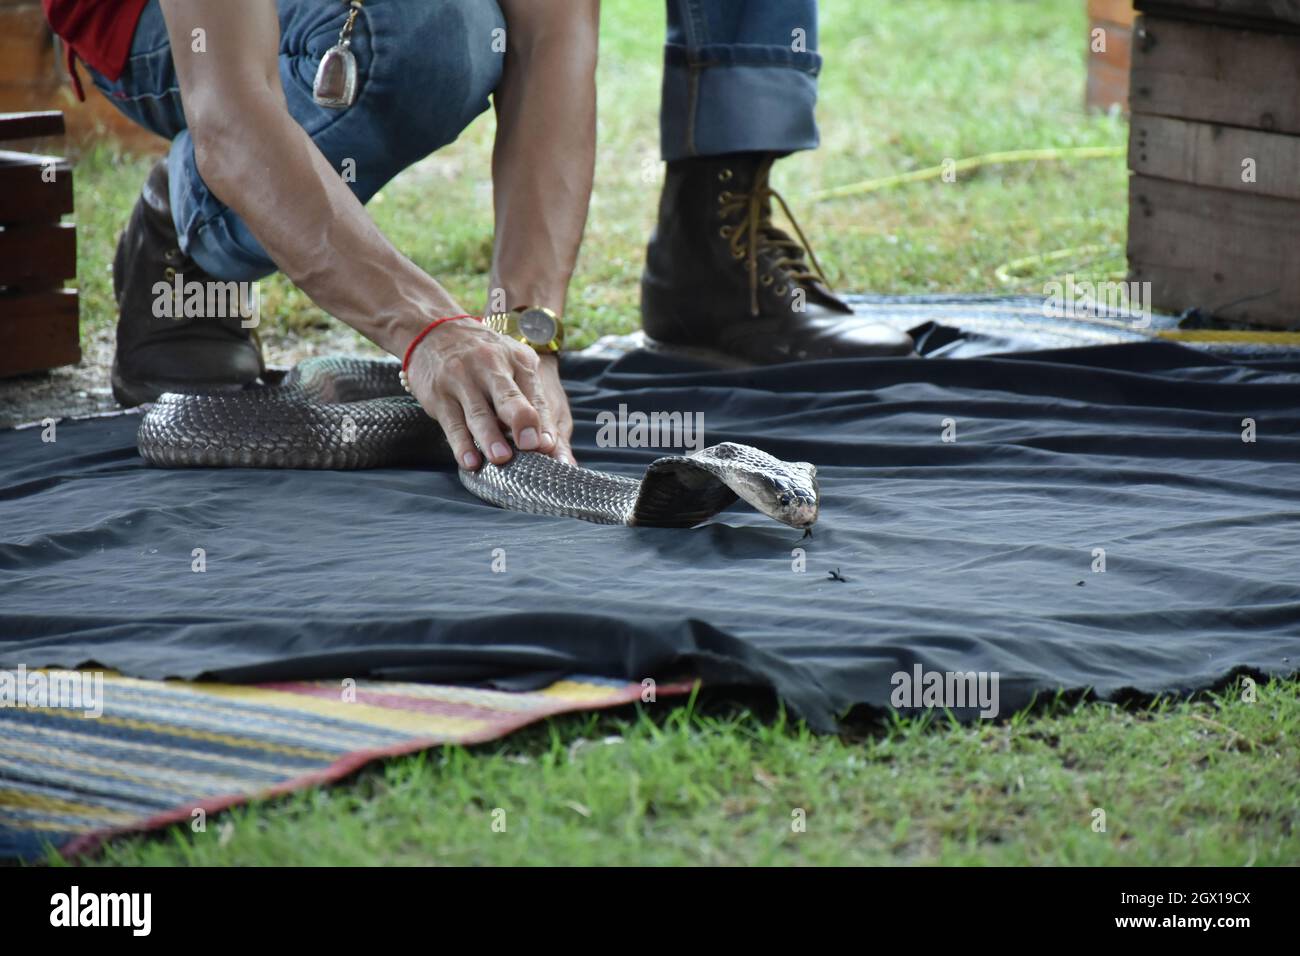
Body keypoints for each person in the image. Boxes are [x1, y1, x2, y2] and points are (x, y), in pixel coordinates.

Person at [43, 0, 912, 470]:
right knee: (426, 33)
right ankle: (185, 225)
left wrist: (525, 333)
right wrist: (424, 329)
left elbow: (552, 37)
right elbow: (232, 108)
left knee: (467, 19)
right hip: (176, 33)